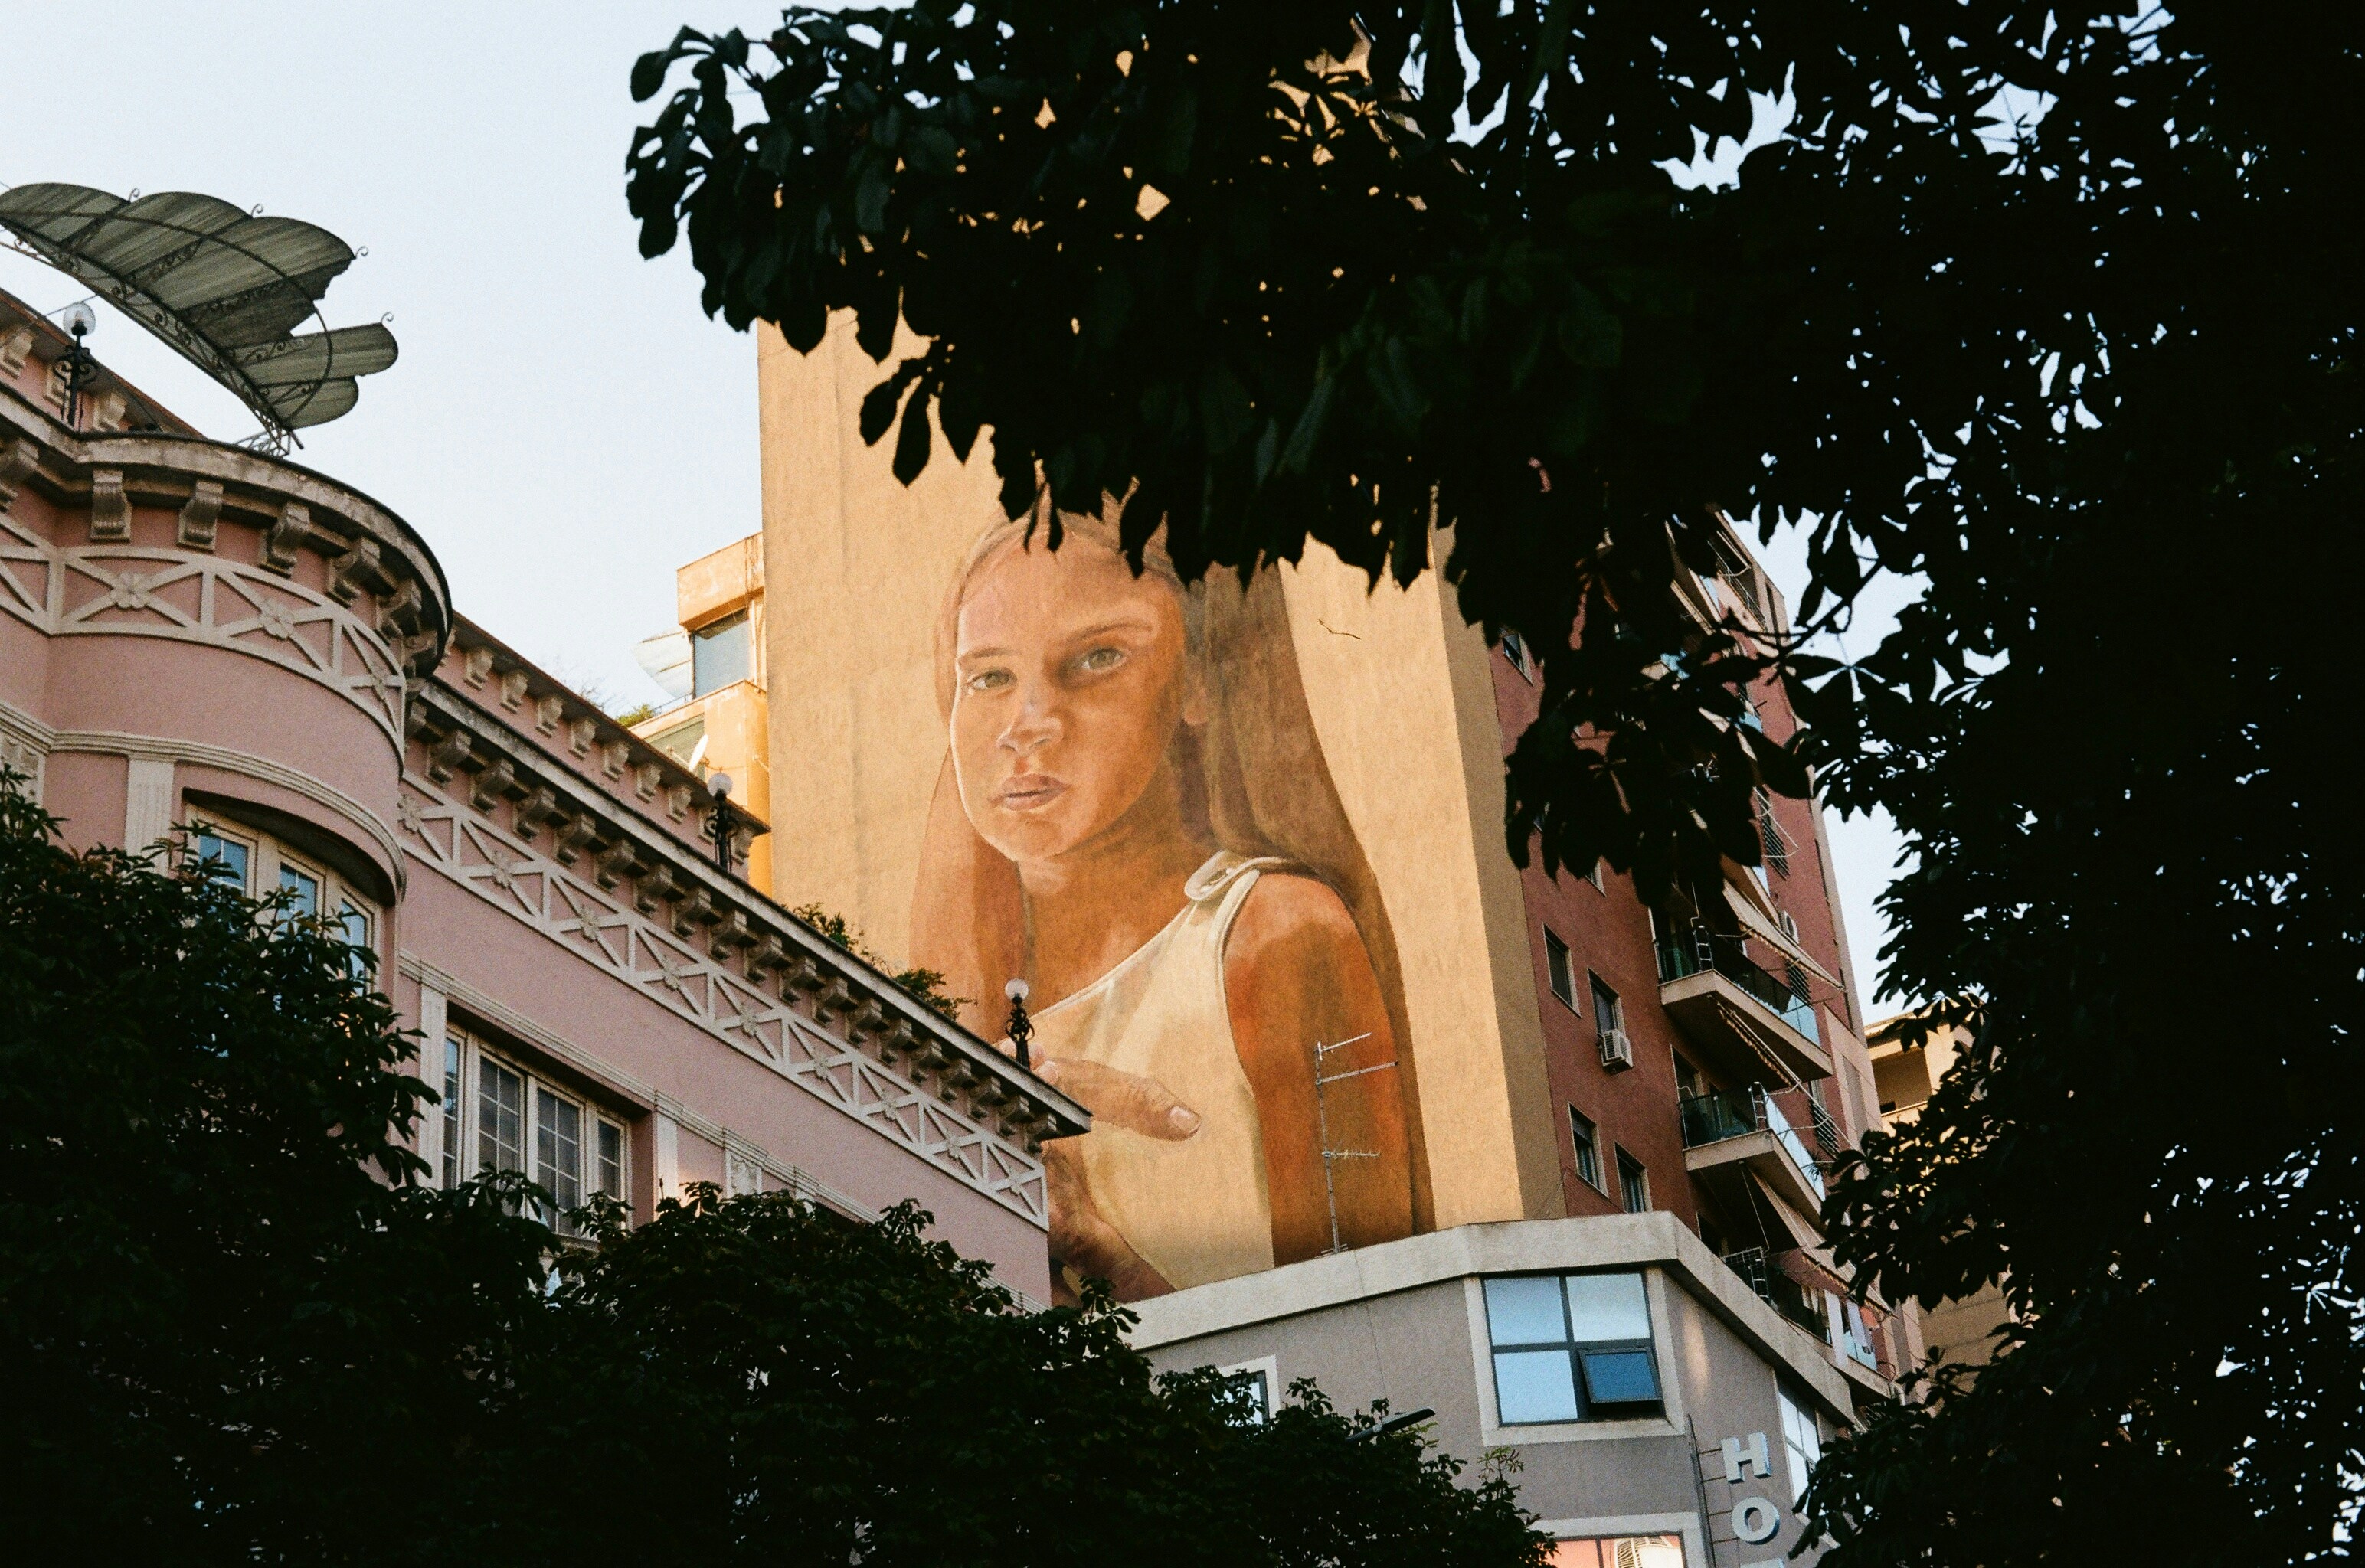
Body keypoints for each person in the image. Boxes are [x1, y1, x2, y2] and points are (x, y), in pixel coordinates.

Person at [911, 501, 1416, 1301]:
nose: (1027, 725)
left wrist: (1102, 1257)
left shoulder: (1276, 933)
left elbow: (1360, 1340)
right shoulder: (950, 1012)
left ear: (1197, 683)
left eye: (1097, 657)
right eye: (990, 677)